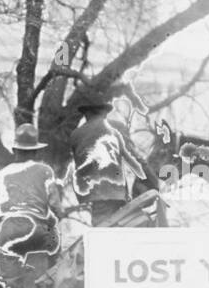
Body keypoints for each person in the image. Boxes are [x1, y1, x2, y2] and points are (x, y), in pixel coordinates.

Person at [0, 123, 63, 288]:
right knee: (44, 265)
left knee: (9, 269)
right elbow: (55, 206)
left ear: (15, 150)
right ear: (36, 151)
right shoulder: (45, 171)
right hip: (39, 231)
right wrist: (56, 221)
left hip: (12, 231)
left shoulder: (2, 175)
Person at [69, 88, 164, 226]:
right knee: (110, 231)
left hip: (89, 195)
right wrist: (154, 181)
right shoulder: (115, 128)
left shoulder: (76, 134)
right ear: (104, 111)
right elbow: (135, 158)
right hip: (113, 192)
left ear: (86, 113)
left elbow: (79, 168)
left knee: (107, 227)